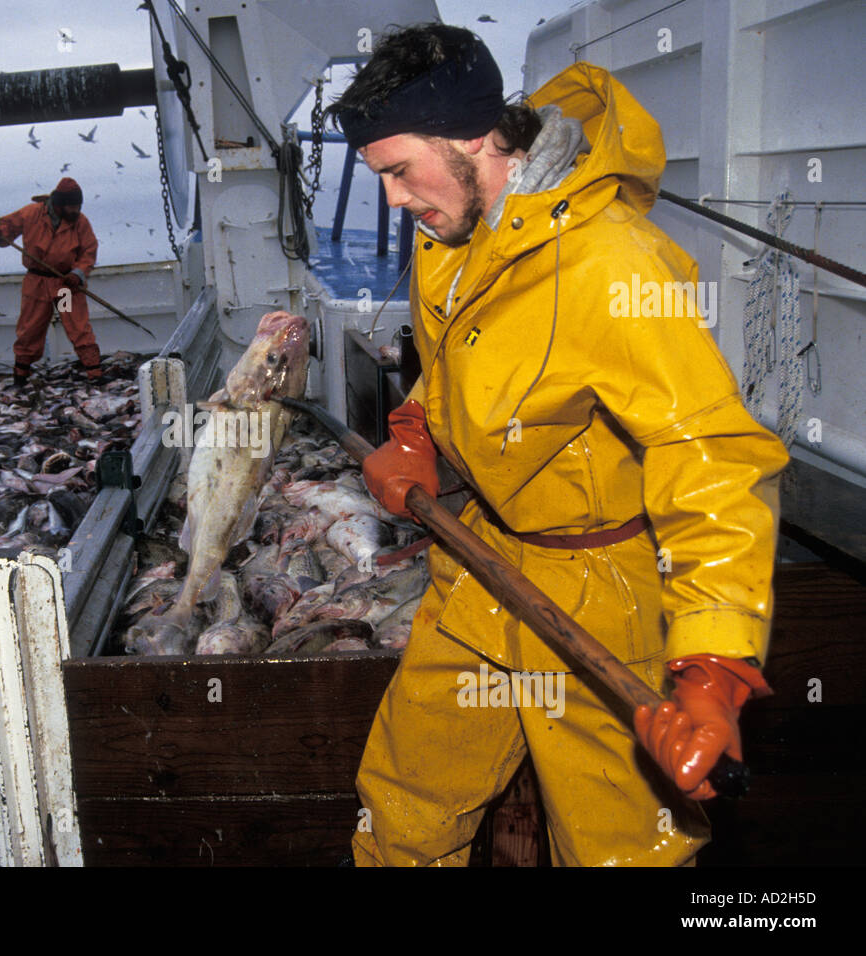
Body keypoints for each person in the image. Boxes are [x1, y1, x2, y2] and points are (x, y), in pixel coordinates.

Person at [324, 23, 790, 866]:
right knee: (402, 810)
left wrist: (712, 667)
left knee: (622, 850)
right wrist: (418, 430)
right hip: (480, 570)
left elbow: (716, 459)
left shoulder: (616, 266)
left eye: (397, 170)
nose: (393, 201)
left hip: (598, 602)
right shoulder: (455, 232)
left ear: (472, 137)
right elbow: (466, 359)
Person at [0, 176, 102, 383]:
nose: (76, 211)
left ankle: (95, 373)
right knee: (30, 328)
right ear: (58, 205)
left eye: (78, 206)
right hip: (38, 283)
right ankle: (21, 375)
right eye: (72, 206)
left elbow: (89, 251)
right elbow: (8, 228)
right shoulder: (31, 213)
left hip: (65, 285)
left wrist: (78, 274)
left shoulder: (81, 222)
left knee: (77, 325)